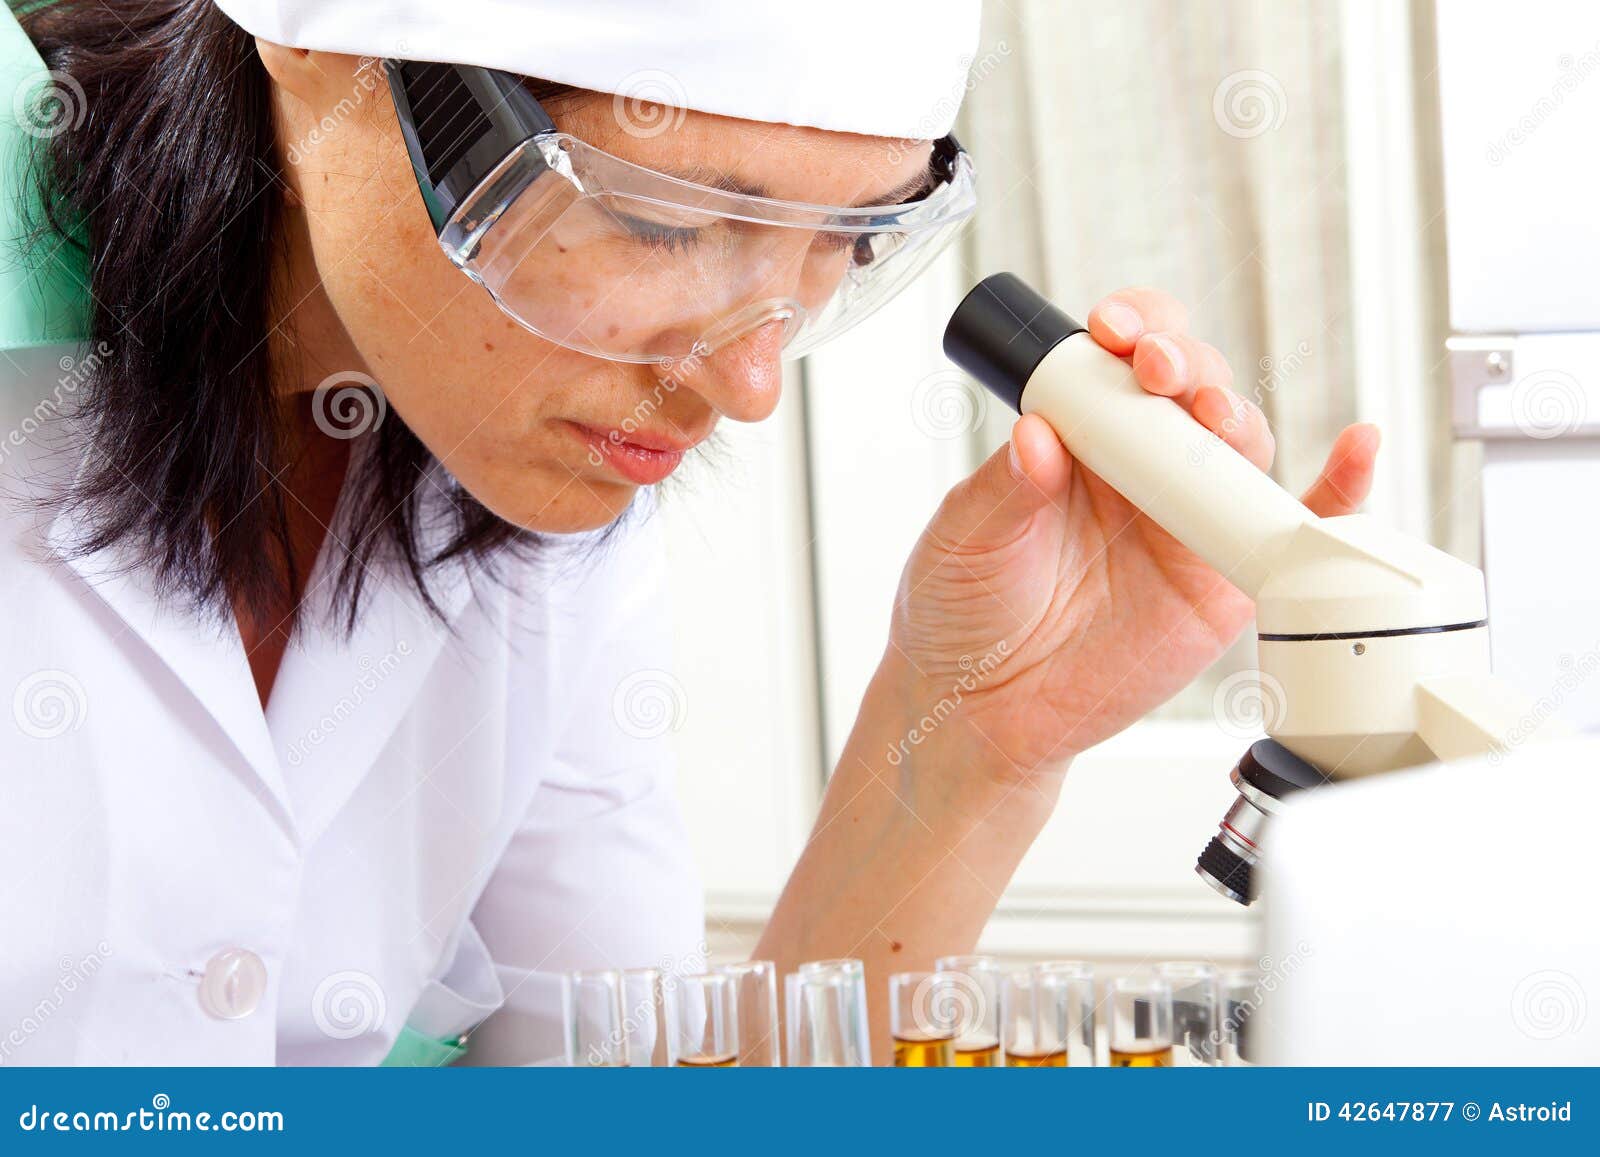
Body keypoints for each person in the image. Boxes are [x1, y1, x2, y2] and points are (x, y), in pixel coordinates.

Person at [0, 0, 1377, 1065]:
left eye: (841, 245)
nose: (747, 382)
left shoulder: (522, 464)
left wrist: (967, 743)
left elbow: (631, 1112)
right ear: (318, 56)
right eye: (663, 224)